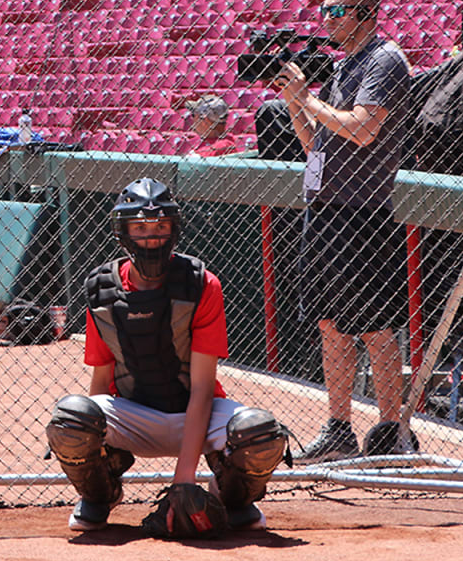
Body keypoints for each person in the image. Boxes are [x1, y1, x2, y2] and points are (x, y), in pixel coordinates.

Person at [45, 178, 287, 532]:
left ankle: (231, 498)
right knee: (73, 417)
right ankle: (100, 495)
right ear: (123, 231)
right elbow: (100, 381)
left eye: (160, 226)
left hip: (196, 412)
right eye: (140, 227)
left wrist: (183, 480)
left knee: (260, 432)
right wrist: (96, 445)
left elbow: (203, 388)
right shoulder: (102, 289)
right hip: (134, 415)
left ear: (174, 229)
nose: (151, 236)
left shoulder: (201, 283)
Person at [273, 0, 413, 462]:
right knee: (330, 324)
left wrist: (311, 101)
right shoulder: (343, 64)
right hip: (326, 206)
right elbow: (318, 145)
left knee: (374, 326)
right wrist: (296, 102)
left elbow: (363, 129)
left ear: (368, 12)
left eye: (338, 10)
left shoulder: (384, 59)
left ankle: (392, 432)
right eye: (325, 8)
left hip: (363, 212)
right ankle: (338, 428)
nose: (328, 18)